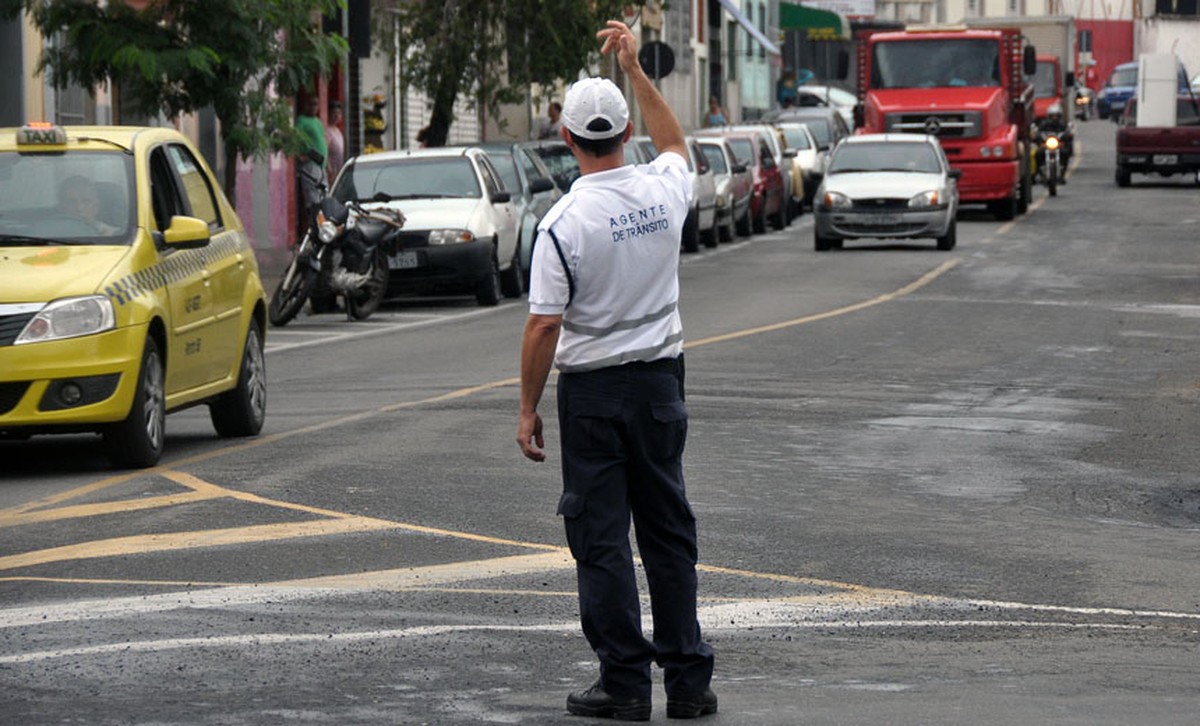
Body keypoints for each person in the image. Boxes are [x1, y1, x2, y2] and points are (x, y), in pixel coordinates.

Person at [517, 19, 716, 722]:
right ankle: (689, 684)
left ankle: (625, 683)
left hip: (594, 395)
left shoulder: (564, 224)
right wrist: (634, 66)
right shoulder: (663, 190)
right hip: (662, 384)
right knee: (668, 532)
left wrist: (526, 407)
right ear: (624, 130)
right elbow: (676, 144)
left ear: (567, 140)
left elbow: (544, 325)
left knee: (601, 538)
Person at [294, 95, 328, 222]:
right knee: (313, 199)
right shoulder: (302, 120)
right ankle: (315, 225)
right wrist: (299, 155)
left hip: (321, 165)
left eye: (316, 104)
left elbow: (322, 141)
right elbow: (296, 138)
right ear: (306, 105)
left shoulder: (318, 121)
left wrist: (327, 164)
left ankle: (323, 226)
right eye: (311, 104)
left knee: (324, 198)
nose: (313, 107)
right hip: (310, 164)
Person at [325, 100, 345, 180]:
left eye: (339, 113)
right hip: (332, 171)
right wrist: (329, 170)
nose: (336, 116)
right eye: (334, 113)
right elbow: (325, 151)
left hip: (340, 170)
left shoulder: (337, 130)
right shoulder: (327, 130)